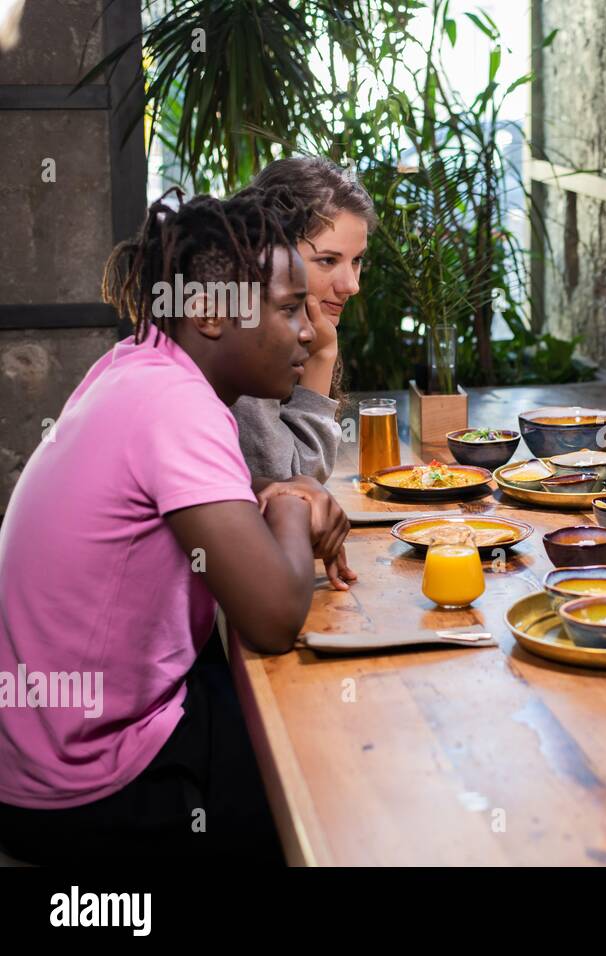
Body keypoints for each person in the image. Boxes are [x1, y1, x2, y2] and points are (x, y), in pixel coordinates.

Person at [0, 187, 351, 862]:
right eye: (287, 309)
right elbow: (275, 617)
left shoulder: (137, 365)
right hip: (87, 786)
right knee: (322, 767)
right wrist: (287, 503)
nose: (310, 331)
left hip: (36, 750)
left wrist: (279, 489)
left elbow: (201, 492)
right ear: (209, 314)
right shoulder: (175, 403)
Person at [231, 157, 374, 484]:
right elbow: (292, 486)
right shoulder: (240, 336)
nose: (351, 285)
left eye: (357, 261)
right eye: (327, 260)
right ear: (269, 252)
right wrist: (322, 358)